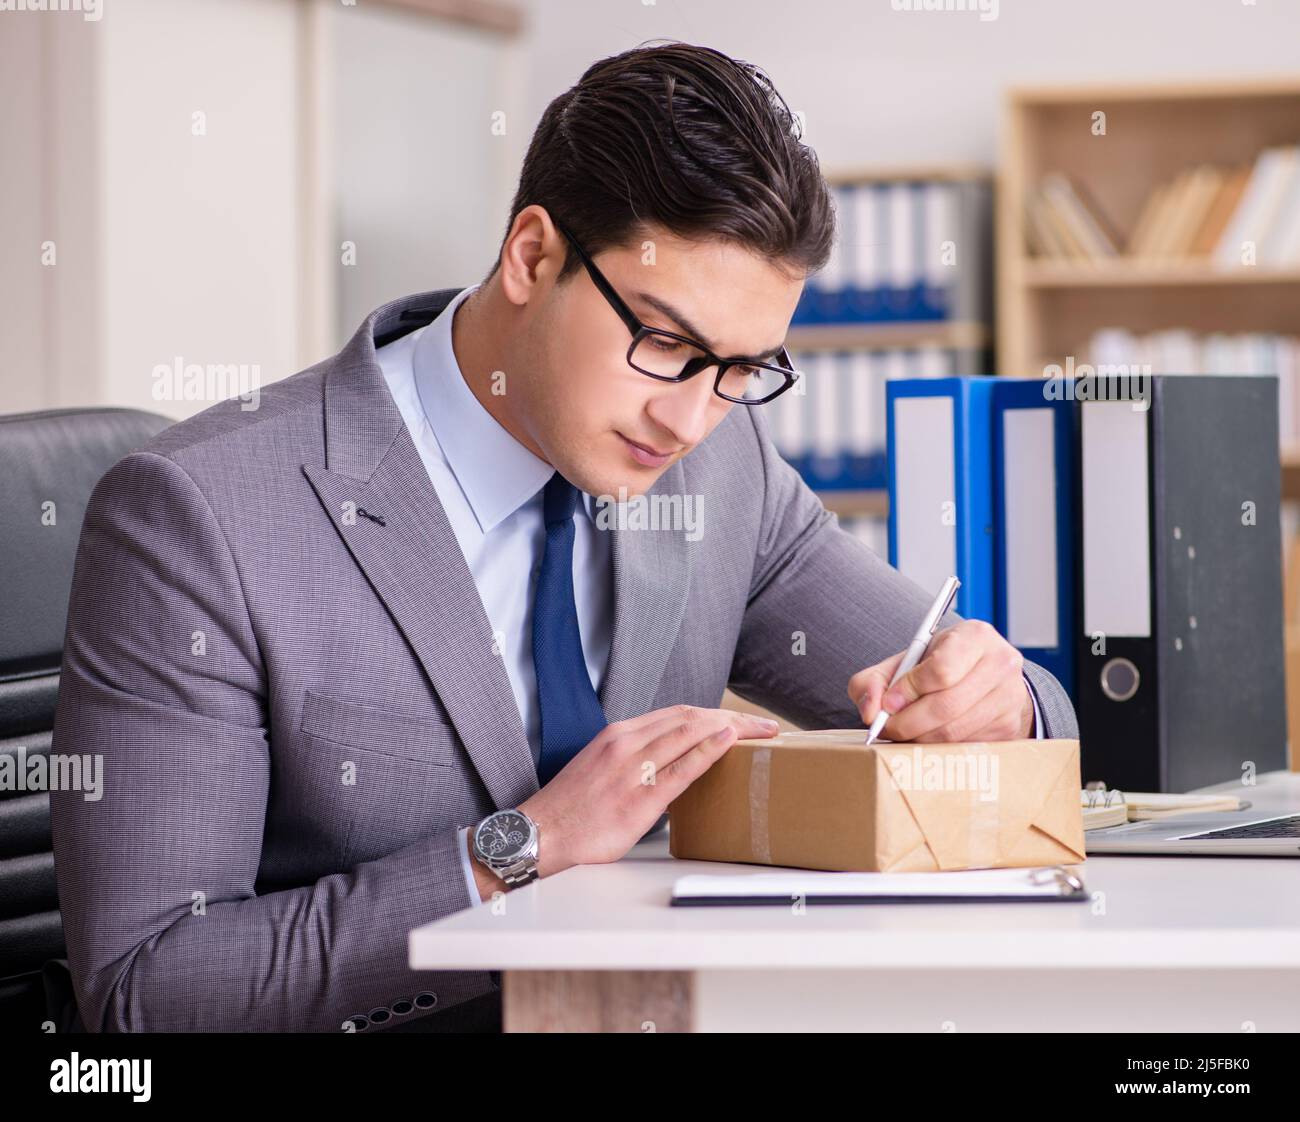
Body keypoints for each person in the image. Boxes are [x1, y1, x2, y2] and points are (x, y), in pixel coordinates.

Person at [50, 41, 1076, 1034]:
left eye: (742, 370)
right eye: (665, 342)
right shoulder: (203, 516)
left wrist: (1001, 702)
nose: (690, 420)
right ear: (531, 256)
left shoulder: (721, 470)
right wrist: (518, 849)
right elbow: (151, 990)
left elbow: (1030, 715)